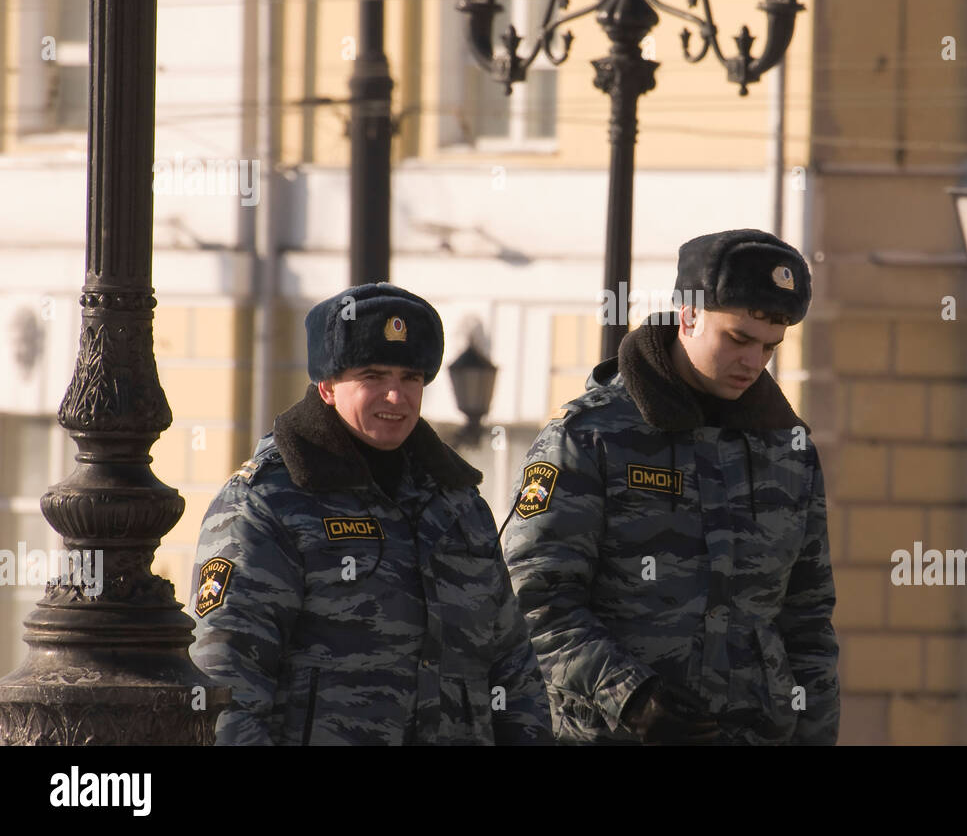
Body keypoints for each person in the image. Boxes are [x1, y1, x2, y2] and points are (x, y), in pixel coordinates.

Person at [503, 230, 839, 744]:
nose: (754, 362)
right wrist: (631, 697)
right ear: (688, 315)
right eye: (738, 339)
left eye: (770, 346)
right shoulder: (590, 436)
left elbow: (809, 622)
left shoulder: (788, 451)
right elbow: (532, 597)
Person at [189, 282, 552, 745]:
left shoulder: (457, 502)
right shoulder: (268, 502)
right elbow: (228, 684)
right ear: (326, 385)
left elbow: (512, 669)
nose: (396, 398)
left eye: (410, 379)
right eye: (373, 377)